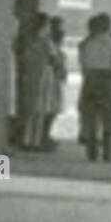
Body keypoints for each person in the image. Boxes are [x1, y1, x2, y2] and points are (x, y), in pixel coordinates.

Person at [78, 13, 111, 162]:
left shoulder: (87, 44)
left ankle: (92, 150)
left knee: (91, 117)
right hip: (108, 79)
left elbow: (83, 65)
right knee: (108, 117)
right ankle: (107, 152)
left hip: (91, 79)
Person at [18, 13, 56, 151]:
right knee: (39, 110)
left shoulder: (28, 40)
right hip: (43, 76)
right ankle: (35, 140)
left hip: (30, 75)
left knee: (29, 108)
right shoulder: (47, 42)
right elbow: (53, 59)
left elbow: (24, 58)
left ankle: (26, 138)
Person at [41, 15, 67, 151]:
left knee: (52, 108)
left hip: (54, 79)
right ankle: (43, 135)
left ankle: (45, 134)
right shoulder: (50, 44)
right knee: (50, 108)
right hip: (52, 79)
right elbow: (56, 63)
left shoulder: (52, 45)